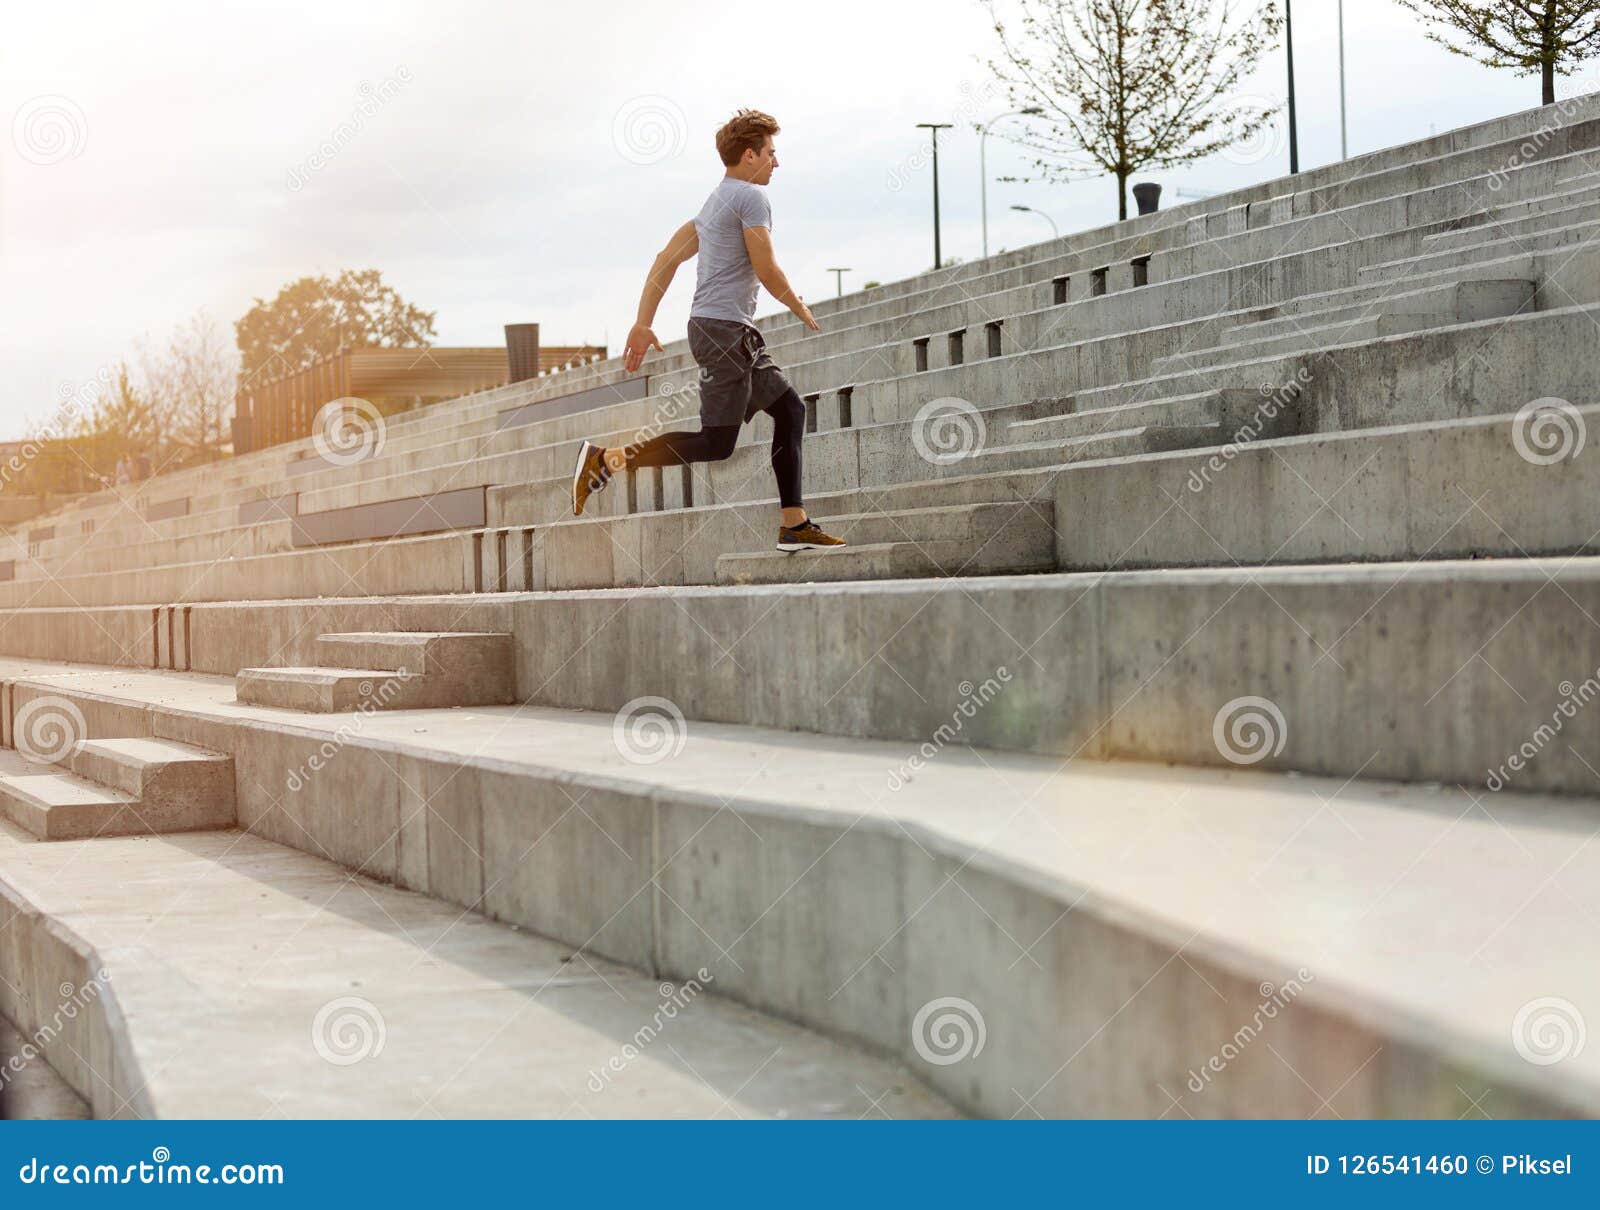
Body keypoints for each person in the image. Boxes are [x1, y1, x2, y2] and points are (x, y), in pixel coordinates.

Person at [570, 108, 845, 553]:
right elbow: (766, 266)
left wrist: (643, 323)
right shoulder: (751, 198)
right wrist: (796, 302)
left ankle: (794, 524)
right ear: (750, 155)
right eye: (772, 153)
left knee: (789, 411)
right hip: (725, 332)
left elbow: (665, 260)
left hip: (722, 330)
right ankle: (603, 460)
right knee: (717, 443)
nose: (777, 162)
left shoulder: (714, 203)